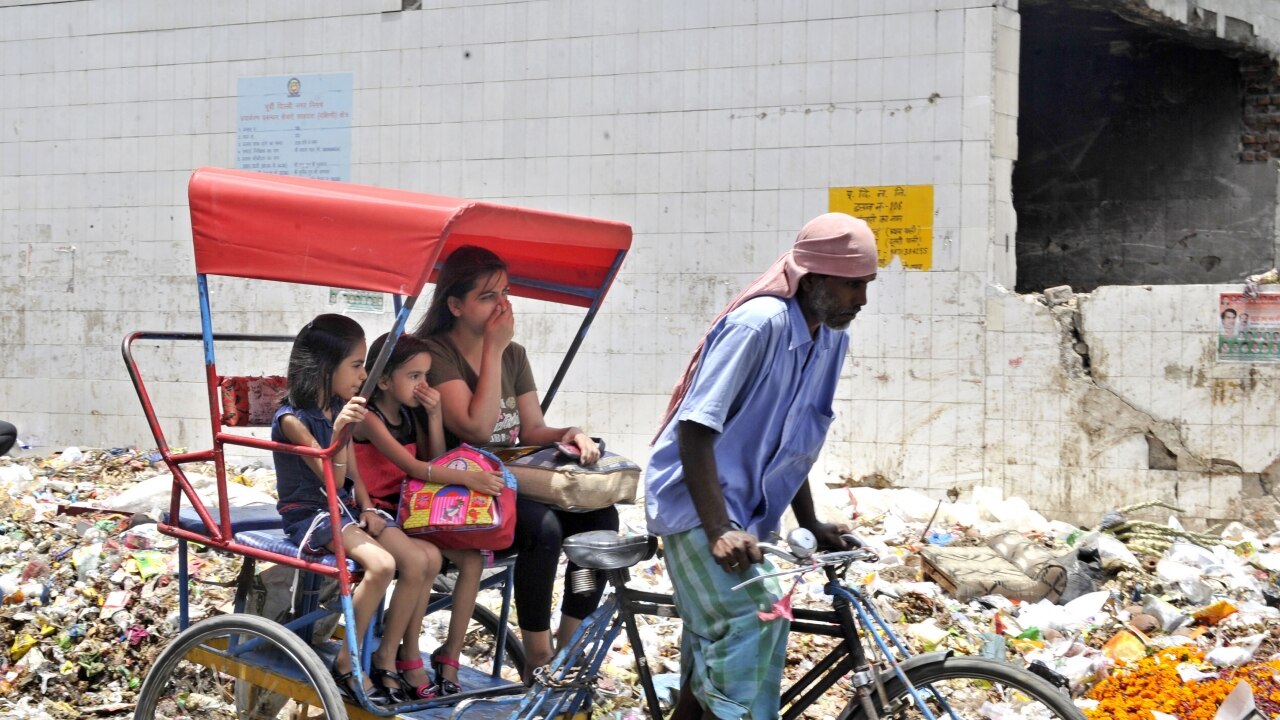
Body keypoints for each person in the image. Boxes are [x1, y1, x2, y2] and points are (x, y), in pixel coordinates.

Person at [645, 212, 878, 720]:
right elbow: (696, 426)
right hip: (695, 505)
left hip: (747, 513)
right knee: (759, 615)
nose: (860, 300)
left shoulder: (832, 339)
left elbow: (796, 439)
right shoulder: (759, 325)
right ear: (813, 279)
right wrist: (718, 528)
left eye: (866, 286)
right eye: (851, 286)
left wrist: (810, 520)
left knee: (708, 653)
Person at [412, 245, 618, 683]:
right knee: (542, 528)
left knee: (602, 515)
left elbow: (530, 430)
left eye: (505, 292)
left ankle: (569, 641)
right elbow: (477, 429)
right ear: (455, 304)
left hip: (510, 481)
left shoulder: (514, 353)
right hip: (461, 489)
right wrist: (492, 349)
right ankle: (537, 657)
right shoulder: (437, 354)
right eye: (487, 296)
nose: (502, 305)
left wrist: (569, 434)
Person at [272, 314, 441, 705]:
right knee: (381, 565)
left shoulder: (339, 406)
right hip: (311, 514)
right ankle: (347, 663)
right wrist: (337, 434)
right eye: (356, 365)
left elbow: (353, 479)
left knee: (425, 558)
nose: (363, 374)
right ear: (324, 366)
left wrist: (368, 508)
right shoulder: (294, 420)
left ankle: (387, 657)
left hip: (345, 508)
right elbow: (331, 475)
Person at [352, 332, 506, 696]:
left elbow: (434, 460)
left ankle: (447, 655)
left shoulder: (409, 413)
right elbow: (415, 467)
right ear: (384, 380)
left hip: (411, 512)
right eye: (414, 376)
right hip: (377, 511)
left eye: (426, 375)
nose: (423, 384)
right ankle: (394, 655)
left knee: (472, 561)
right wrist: (472, 479)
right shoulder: (368, 418)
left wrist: (434, 414)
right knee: (426, 560)